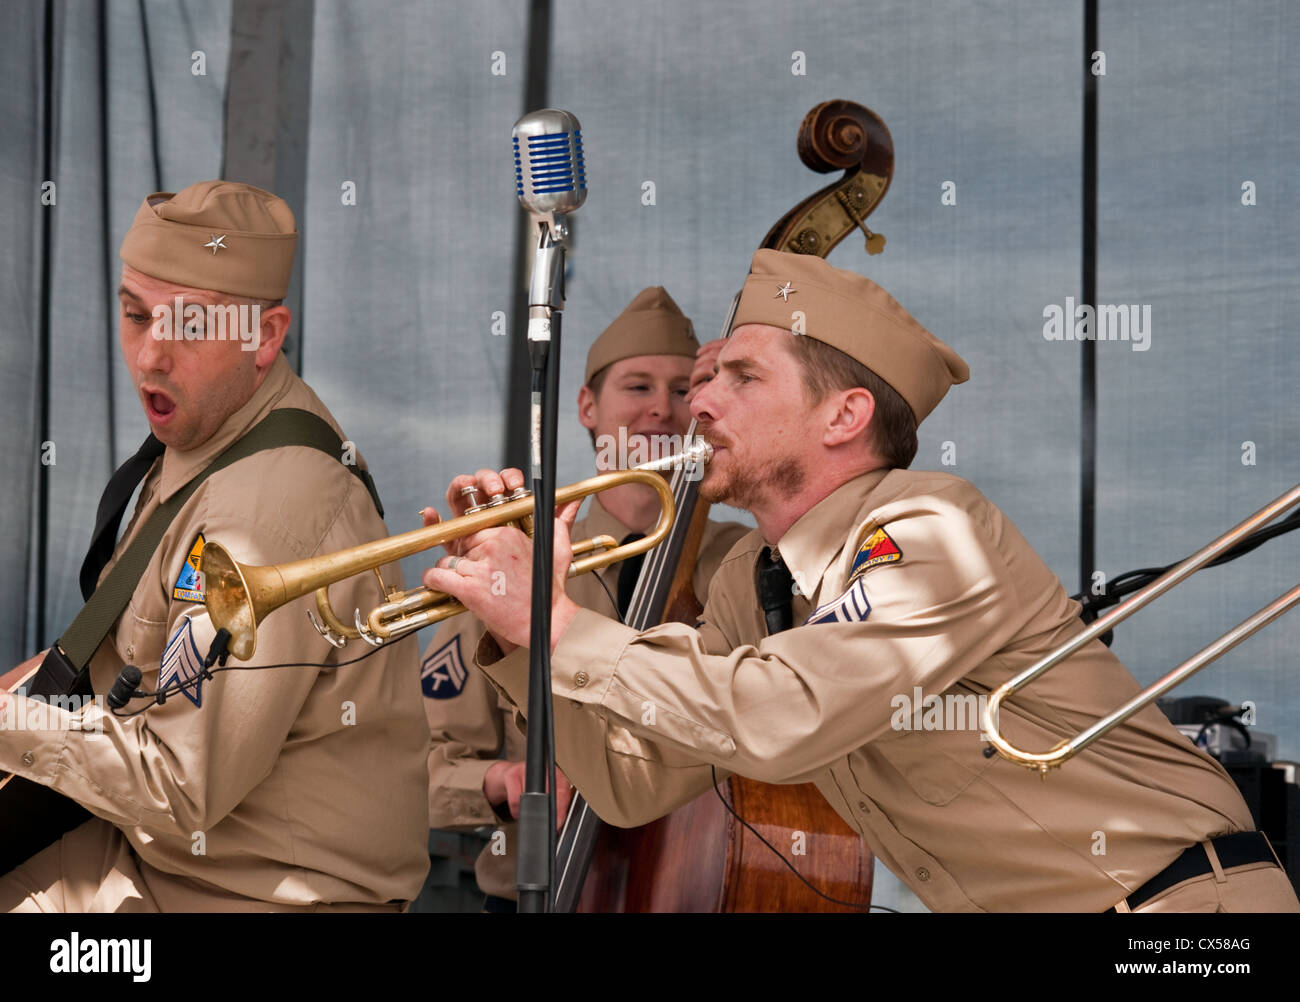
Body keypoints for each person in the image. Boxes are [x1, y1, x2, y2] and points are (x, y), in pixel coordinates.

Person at [423, 249, 1300, 913]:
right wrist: (513, 629)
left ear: (845, 416)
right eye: (709, 378)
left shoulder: (931, 528)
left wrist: (557, 624)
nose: (699, 403)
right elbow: (630, 781)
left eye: (743, 376)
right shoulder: (755, 584)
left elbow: (782, 713)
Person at [0, 180, 429, 912]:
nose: (149, 358)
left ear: (263, 337)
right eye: (135, 316)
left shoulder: (268, 511)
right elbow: (111, 666)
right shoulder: (206, 440)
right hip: (156, 857)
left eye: (189, 327)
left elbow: (178, 784)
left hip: (239, 892)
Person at [421, 287, 746, 911]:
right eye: (638, 387)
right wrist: (502, 781)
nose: (662, 410)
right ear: (587, 406)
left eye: (684, 391)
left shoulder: (751, 557)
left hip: (700, 889)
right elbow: (418, 766)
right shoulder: (517, 557)